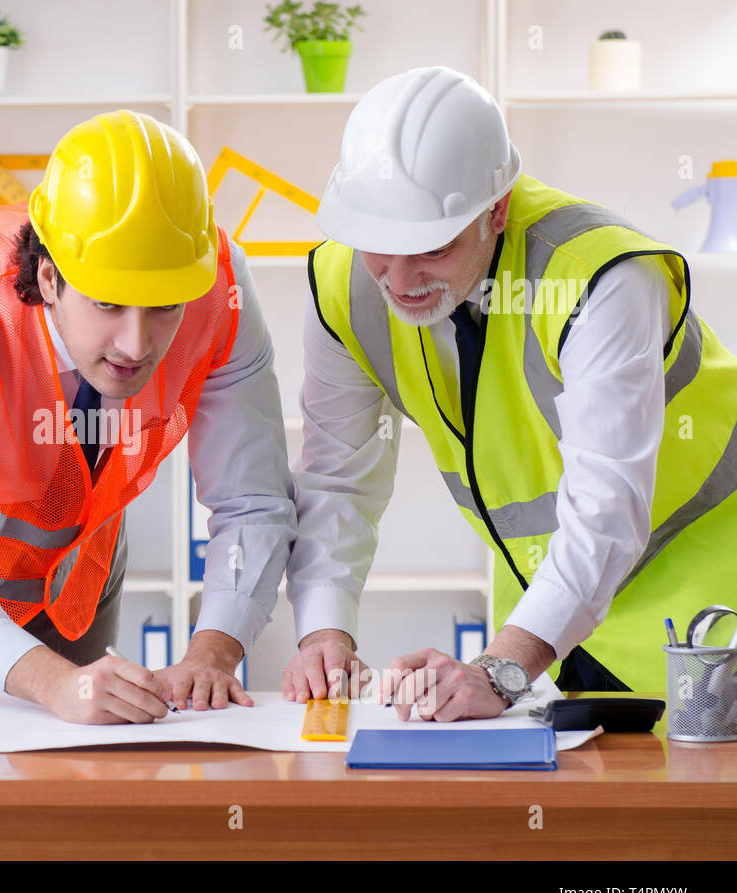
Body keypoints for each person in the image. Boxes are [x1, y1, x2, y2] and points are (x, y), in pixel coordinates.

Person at [282, 65, 737, 719]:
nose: (400, 277)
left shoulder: (598, 278)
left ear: (496, 209)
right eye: (378, 245)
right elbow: (337, 481)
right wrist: (324, 629)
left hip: (707, 623)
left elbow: (607, 508)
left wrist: (499, 670)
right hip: (556, 625)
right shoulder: (343, 286)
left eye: (432, 247)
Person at [0, 110, 297, 724]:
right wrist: (54, 685)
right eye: (108, 304)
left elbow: (253, 502)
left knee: (80, 765)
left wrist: (213, 651)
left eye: (163, 308)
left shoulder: (218, 285)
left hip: (79, 555)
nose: (136, 344)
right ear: (49, 277)